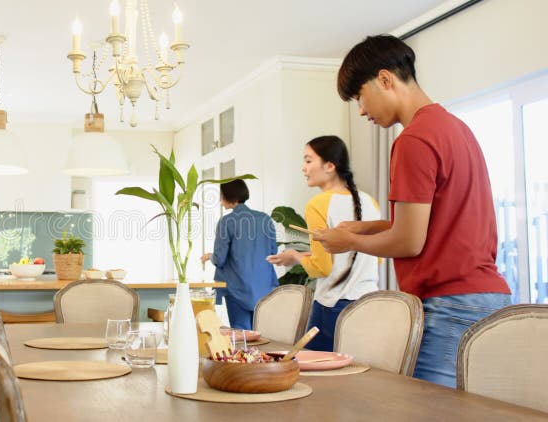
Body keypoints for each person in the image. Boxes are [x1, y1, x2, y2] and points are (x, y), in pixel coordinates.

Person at [313, 35, 511, 387]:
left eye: (360, 97)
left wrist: (349, 242)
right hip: (487, 298)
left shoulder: (414, 140)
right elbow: (434, 224)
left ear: (385, 79)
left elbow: (408, 241)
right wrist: (365, 228)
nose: (361, 110)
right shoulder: (456, 128)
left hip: (449, 304)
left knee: (423, 410)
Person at [267, 135, 380, 352]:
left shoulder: (318, 204)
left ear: (329, 166)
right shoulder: (370, 202)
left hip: (333, 307)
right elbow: (377, 257)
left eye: (308, 161)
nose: (303, 168)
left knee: (316, 377)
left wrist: (297, 256)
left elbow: (322, 267)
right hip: (369, 305)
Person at [200, 180, 278, 329]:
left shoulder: (227, 221)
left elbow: (220, 259)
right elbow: (273, 252)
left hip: (237, 288)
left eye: (221, 196)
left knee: (242, 336)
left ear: (228, 196)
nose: (220, 200)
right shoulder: (265, 219)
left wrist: (211, 256)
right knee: (262, 335)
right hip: (264, 288)